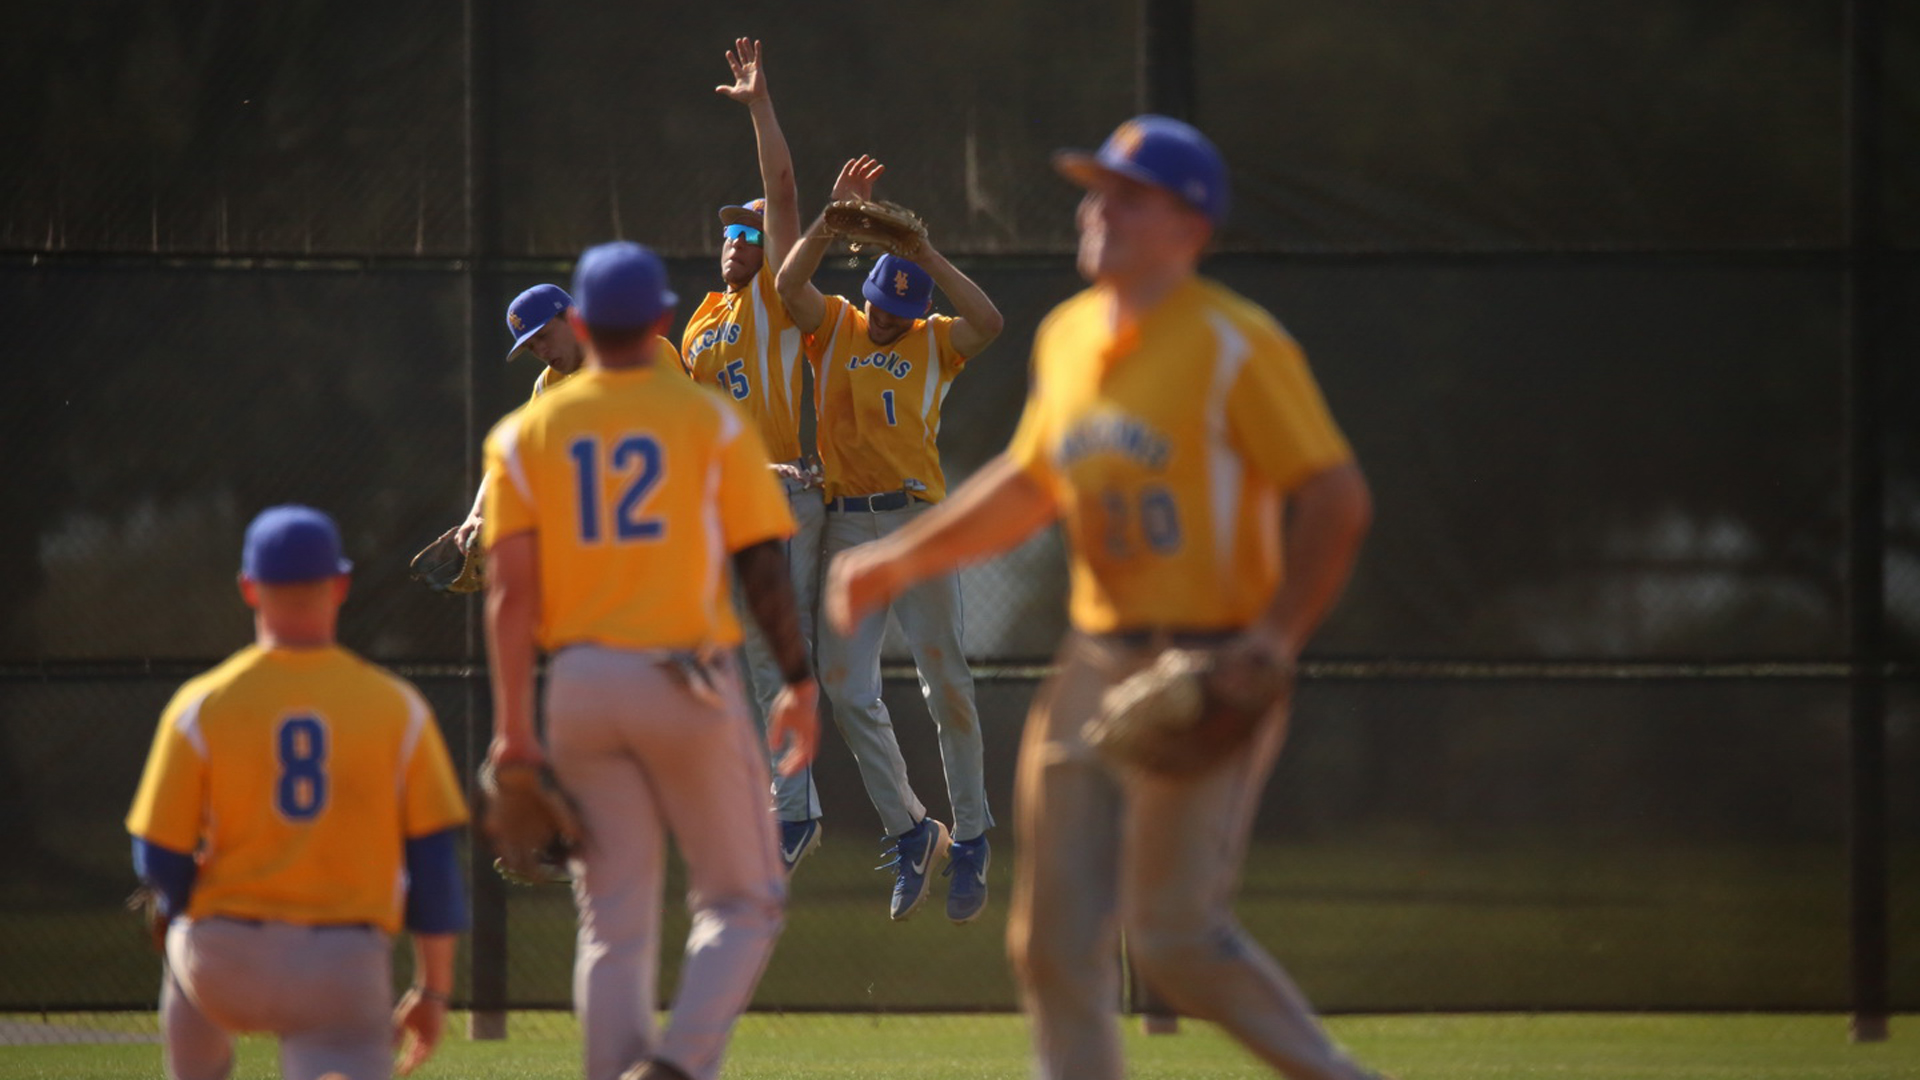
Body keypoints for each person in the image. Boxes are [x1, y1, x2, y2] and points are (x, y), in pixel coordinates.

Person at [823, 116, 1384, 1079]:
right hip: (1090, 665)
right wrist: (895, 560)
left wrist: (1274, 643)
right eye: (1095, 191)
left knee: (1173, 940)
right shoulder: (1072, 335)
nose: (1098, 209)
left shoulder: (1234, 345)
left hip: (1209, 667)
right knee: (1049, 944)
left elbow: (1337, 500)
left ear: (1189, 223)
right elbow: (1032, 484)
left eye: (1128, 196)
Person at [482, 240, 820, 1080]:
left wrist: (514, 734)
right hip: (683, 677)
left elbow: (509, 598)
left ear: (582, 323)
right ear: (665, 322)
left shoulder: (528, 431)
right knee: (745, 902)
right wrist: (802, 681)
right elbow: (762, 566)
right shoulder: (706, 421)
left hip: (581, 687)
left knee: (614, 924)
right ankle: (674, 1069)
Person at [126, 504, 470, 1080]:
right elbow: (433, 866)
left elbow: (156, 855)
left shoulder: (201, 705)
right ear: (340, 586)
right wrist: (432, 992)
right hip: (342, 965)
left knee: (183, 951)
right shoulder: (395, 708)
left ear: (248, 589)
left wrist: (186, 906)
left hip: (223, 957)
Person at [774, 155, 1006, 924]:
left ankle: (971, 836)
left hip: (919, 522)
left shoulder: (936, 339)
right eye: (879, 304)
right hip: (849, 525)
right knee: (846, 689)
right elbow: (786, 288)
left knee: (950, 688)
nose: (883, 318)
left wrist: (924, 256)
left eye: (896, 311)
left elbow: (991, 323)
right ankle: (913, 829)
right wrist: (830, 222)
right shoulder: (836, 323)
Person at [680, 38, 825, 872]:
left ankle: (794, 811)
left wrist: (761, 108)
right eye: (729, 234)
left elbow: (780, 191)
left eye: (752, 234)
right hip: (708, 506)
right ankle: (744, 800)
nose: (739, 242)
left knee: (778, 656)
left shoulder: (775, 299)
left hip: (774, 497)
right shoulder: (698, 322)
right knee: (709, 659)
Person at [454, 284, 682, 549]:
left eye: (545, 336)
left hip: (671, 522)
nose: (542, 351)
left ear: (573, 318)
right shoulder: (548, 384)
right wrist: (478, 513)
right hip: (612, 536)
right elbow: (515, 450)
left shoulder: (644, 352)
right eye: (531, 346)